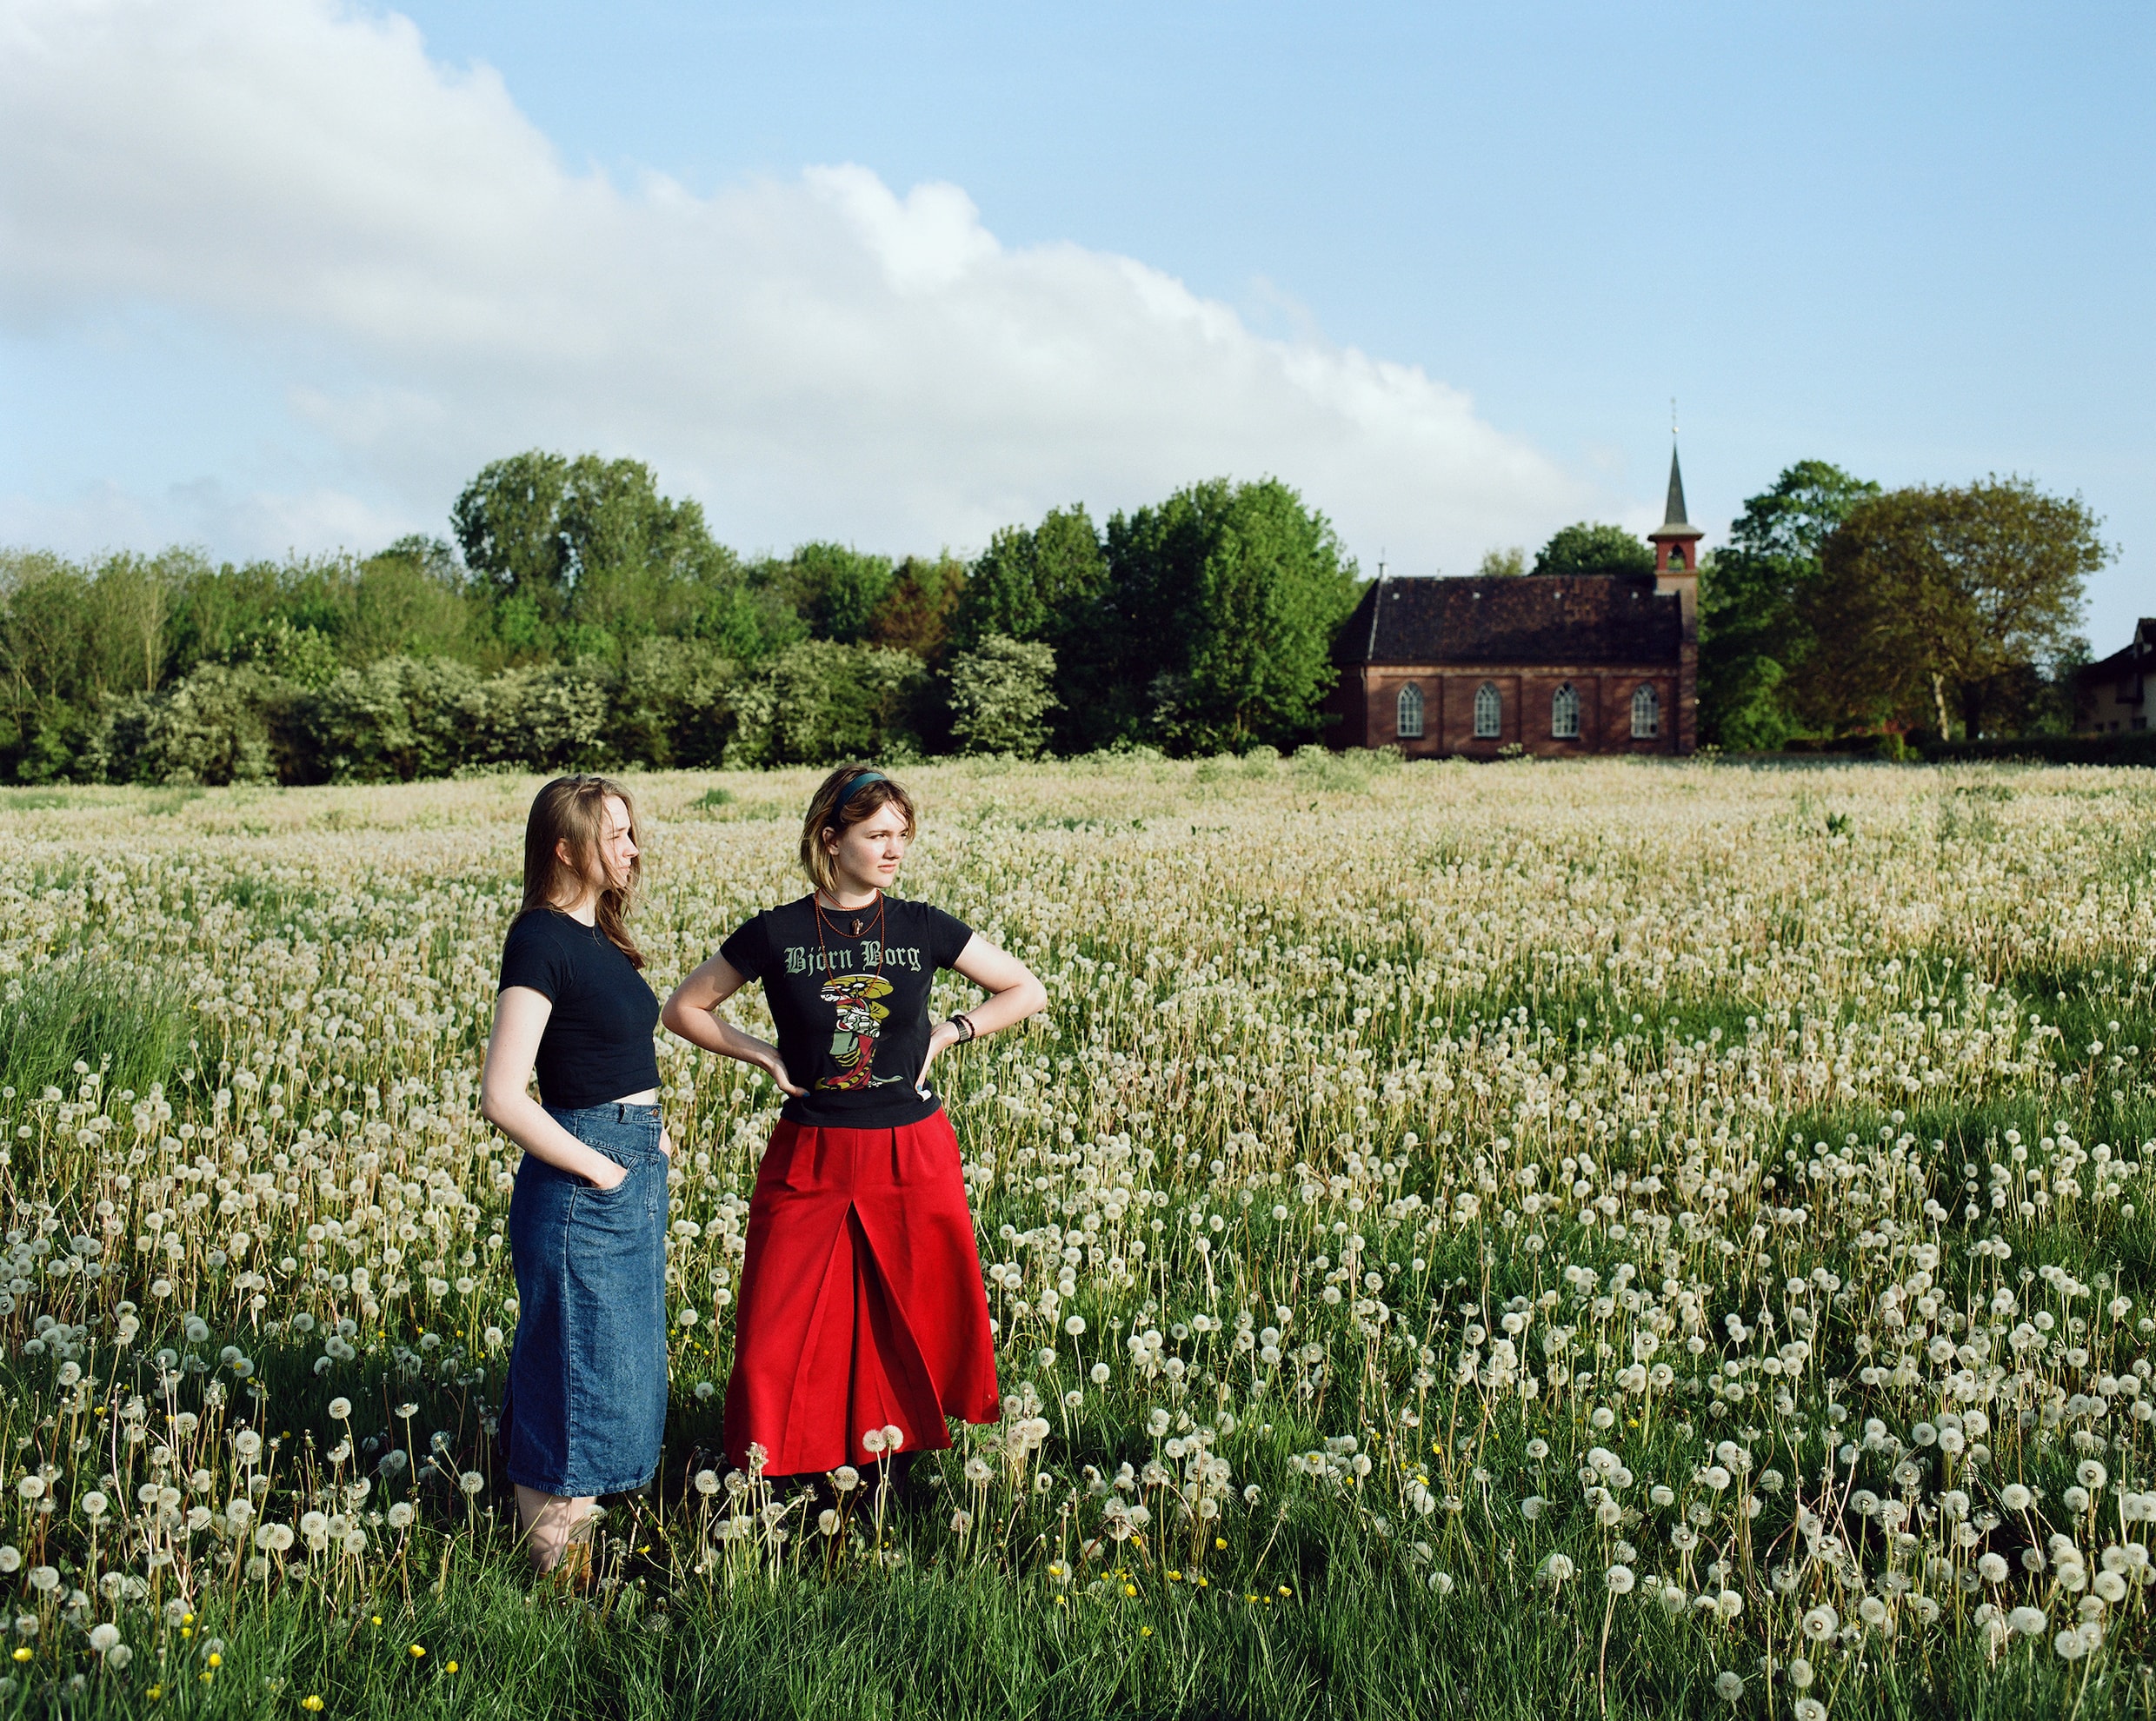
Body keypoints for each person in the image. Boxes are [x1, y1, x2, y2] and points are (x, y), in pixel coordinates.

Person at [662, 763, 1046, 1488]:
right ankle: (776, 1470)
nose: (895, 849)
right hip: (811, 1153)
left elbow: (1026, 988)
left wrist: (948, 1032)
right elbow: (684, 1009)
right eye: (877, 835)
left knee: (912, 1317)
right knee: (778, 1329)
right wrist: (764, 1056)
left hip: (911, 1149)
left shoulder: (922, 924)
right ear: (831, 839)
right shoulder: (775, 932)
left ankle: (891, 1470)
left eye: (902, 835)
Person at [480, 775, 672, 1576]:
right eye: (615, 835)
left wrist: (650, 1152)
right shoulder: (541, 939)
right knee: (577, 1373)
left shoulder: (602, 936)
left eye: (631, 832)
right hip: (585, 1181)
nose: (633, 849)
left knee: (608, 1366)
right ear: (565, 849)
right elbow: (501, 1094)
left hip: (628, 1166)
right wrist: (603, 1167)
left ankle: (574, 1566)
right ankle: (556, 1586)